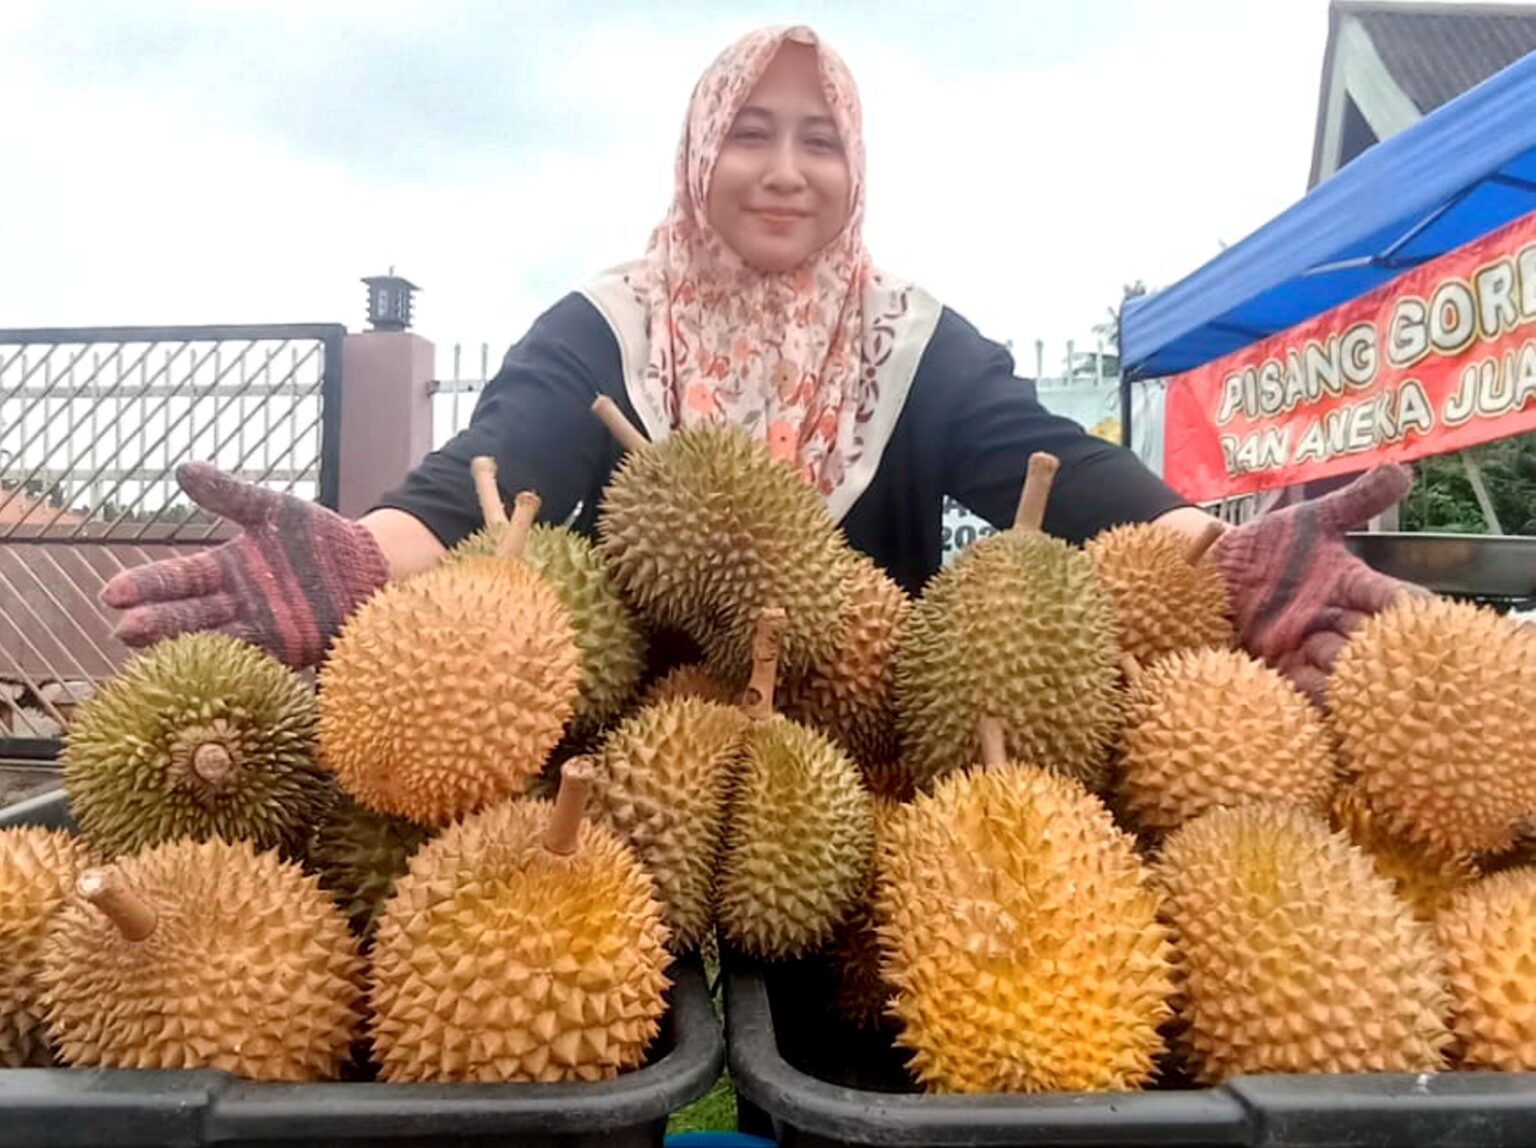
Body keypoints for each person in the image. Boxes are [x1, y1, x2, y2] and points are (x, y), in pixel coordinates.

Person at [100, 24, 1413, 705]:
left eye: (820, 141)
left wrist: (1212, 547)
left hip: (866, 753)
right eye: (750, 134)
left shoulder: (907, 336)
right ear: (697, 152)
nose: (785, 172)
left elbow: (1048, 465)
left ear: (858, 166)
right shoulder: (610, 322)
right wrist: (362, 554)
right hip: (625, 760)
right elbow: (494, 467)